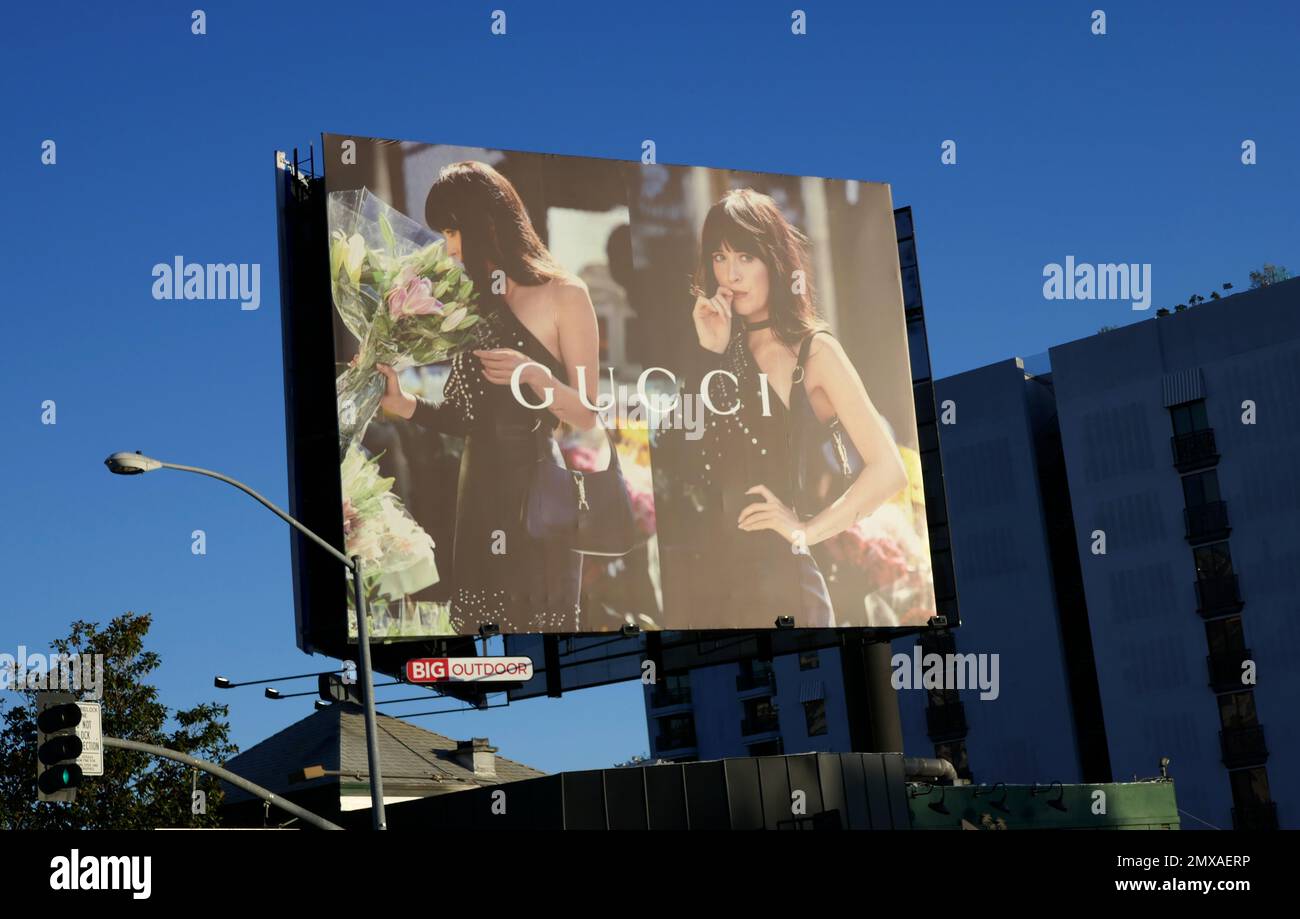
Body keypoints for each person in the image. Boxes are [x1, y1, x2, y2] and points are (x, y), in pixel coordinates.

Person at [375, 161, 603, 633]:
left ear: (487, 223)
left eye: (454, 230)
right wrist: (404, 405)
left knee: (544, 627)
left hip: (538, 487)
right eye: (444, 232)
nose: (449, 246)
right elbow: (462, 416)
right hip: (476, 491)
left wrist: (537, 377)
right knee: (482, 631)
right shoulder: (465, 303)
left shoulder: (566, 294)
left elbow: (584, 415)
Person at [688, 188, 907, 628]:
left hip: (787, 582)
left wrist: (807, 531)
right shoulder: (712, 341)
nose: (731, 274)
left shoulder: (814, 351)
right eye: (719, 257)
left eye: (745, 257)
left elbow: (889, 470)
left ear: (773, 260)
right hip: (711, 578)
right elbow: (695, 460)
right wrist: (709, 354)